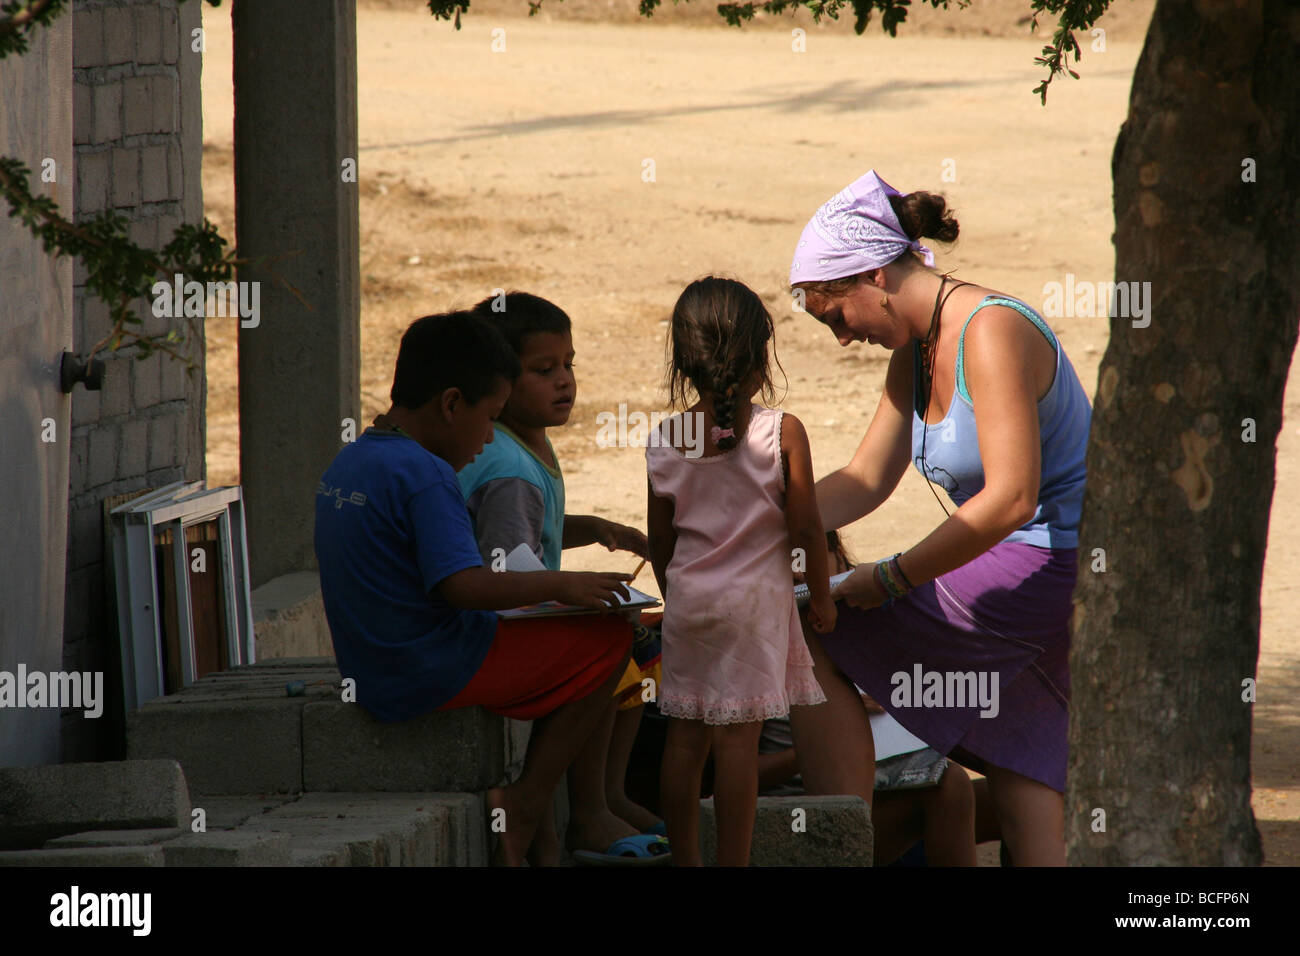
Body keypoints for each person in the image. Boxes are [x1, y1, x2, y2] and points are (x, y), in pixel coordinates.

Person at [786, 170, 1091, 866]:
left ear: (873, 275)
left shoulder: (989, 331)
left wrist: (889, 578)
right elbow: (865, 479)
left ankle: (844, 849)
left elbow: (1013, 498)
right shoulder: (915, 352)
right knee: (1024, 755)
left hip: (1055, 561)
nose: (840, 338)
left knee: (816, 626)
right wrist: (760, 523)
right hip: (1023, 561)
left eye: (835, 316)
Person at [313, 310, 638, 867]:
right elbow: (462, 587)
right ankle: (527, 805)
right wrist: (566, 585)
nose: (489, 438)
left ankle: (551, 827)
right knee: (611, 640)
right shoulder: (426, 474)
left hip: (368, 666)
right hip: (426, 665)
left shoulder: (355, 458)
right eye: (489, 419)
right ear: (451, 403)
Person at [457, 291, 666, 865]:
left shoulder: (525, 444)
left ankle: (600, 802)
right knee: (614, 639)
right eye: (543, 370)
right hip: (496, 629)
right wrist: (572, 594)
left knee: (640, 646)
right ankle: (582, 809)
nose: (564, 381)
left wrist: (593, 528)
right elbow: (502, 564)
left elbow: (535, 528)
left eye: (569, 364)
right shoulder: (506, 467)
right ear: (497, 381)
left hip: (517, 612)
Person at [645, 276, 834, 866]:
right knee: (737, 745)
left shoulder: (664, 439)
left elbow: (661, 540)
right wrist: (822, 598)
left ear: (684, 360)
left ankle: (684, 860)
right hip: (754, 610)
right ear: (761, 356)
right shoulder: (781, 432)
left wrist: (673, 595)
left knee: (683, 740)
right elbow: (805, 532)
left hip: (689, 601)